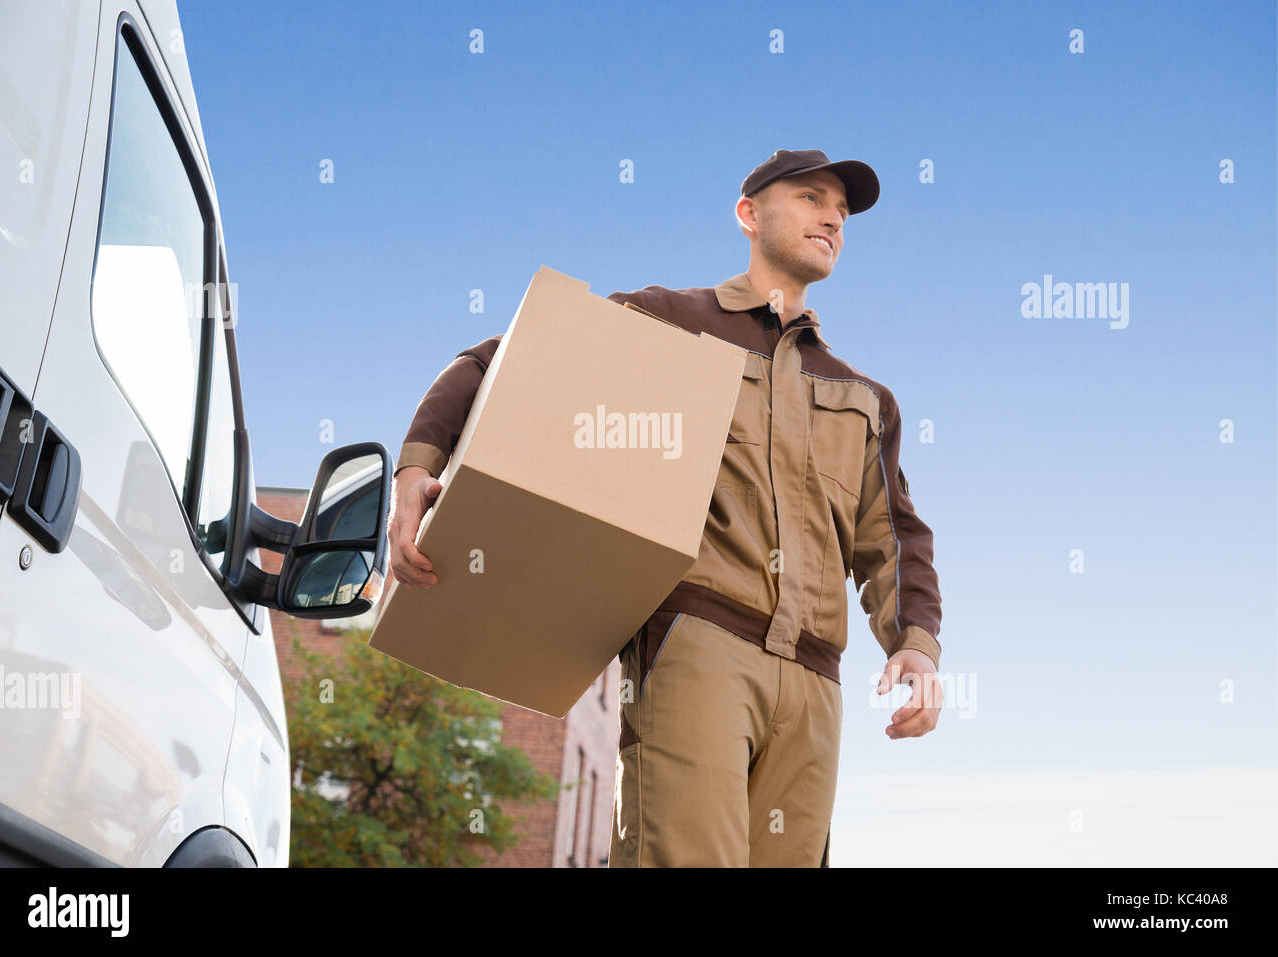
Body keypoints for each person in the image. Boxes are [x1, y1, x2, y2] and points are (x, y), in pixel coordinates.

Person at [386, 148, 944, 867]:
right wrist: (416, 467)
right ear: (748, 214)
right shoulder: (668, 321)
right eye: (811, 198)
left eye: (841, 211)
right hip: (698, 644)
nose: (832, 218)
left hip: (815, 684)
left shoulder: (864, 399)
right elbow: (496, 360)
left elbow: (896, 538)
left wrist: (914, 644)